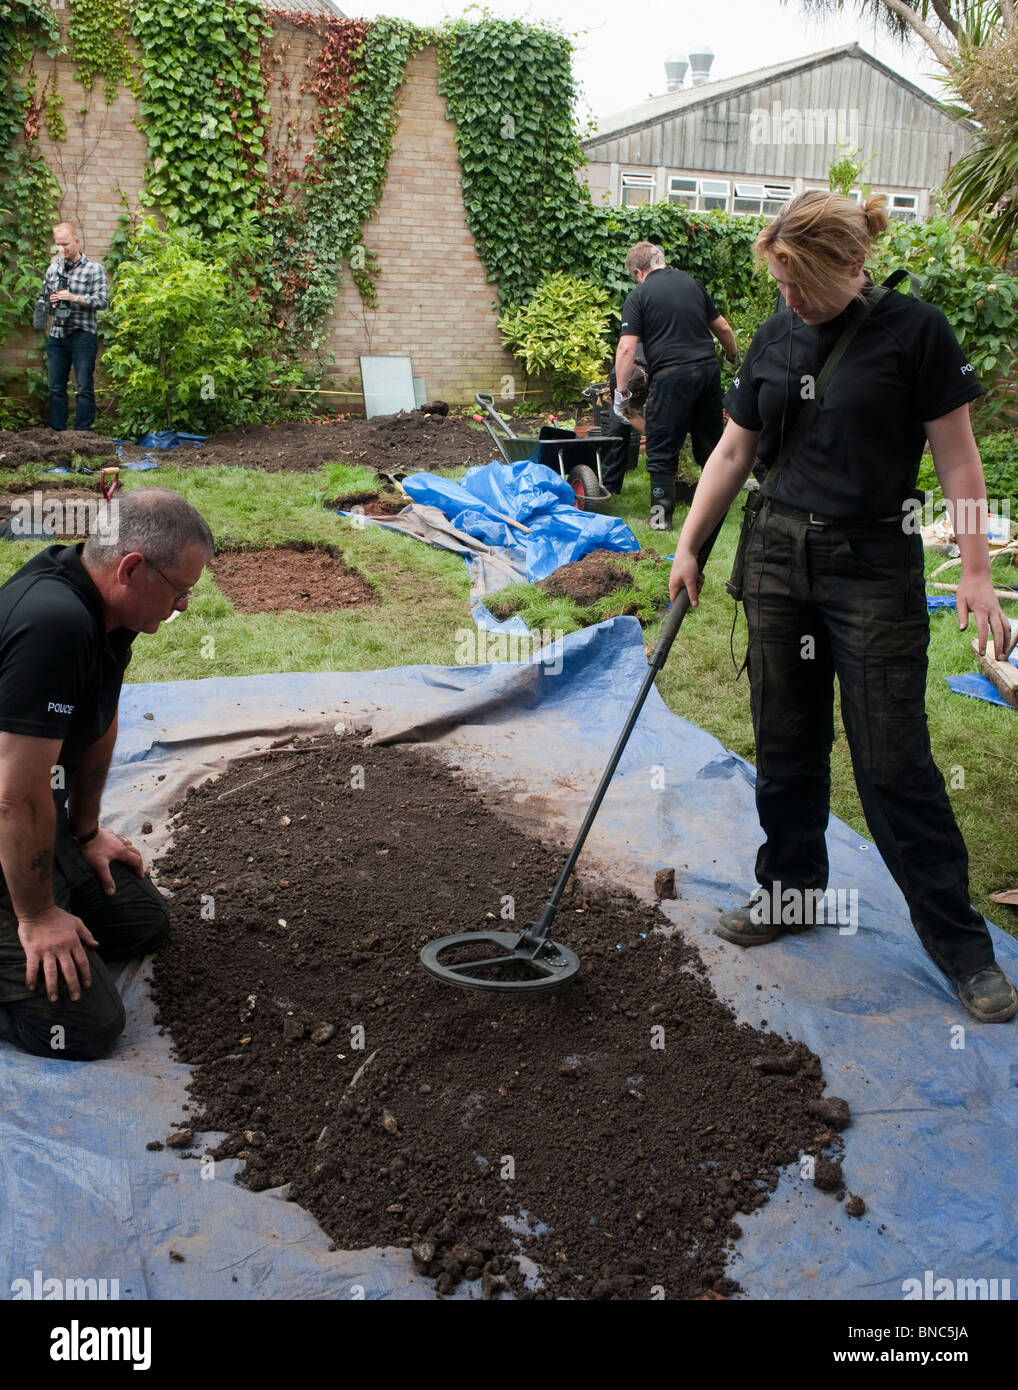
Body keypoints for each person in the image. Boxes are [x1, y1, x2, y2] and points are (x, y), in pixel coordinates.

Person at [668, 189, 1017, 1024]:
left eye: (801, 283)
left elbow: (959, 462)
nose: (789, 300)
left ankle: (960, 947)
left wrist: (974, 570)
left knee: (893, 760)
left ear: (852, 267)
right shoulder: (777, 330)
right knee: (786, 742)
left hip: (870, 568)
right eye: (780, 283)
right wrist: (688, 544)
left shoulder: (916, 331)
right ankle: (791, 893)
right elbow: (733, 446)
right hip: (780, 560)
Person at [0, 488, 214, 1061]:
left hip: (28, 820)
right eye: (180, 589)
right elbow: (14, 798)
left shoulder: (108, 613)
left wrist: (87, 831)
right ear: (132, 568)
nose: (184, 606)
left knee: (140, 923)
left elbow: (102, 720)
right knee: (85, 1025)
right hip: (10, 816)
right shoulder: (54, 624)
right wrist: (39, 915)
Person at [614, 241, 739, 529]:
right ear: (660, 261)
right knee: (710, 445)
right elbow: (722, 327)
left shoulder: (639, 295)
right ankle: (716, 511)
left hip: (672, 375)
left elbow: (626, 349)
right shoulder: (691, 283)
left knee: (660, 447)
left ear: (638, 271)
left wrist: (622, 393)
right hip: (708, 370)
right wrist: (733, 356)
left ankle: (660, 521)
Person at [40, 222, 108, 432]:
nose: (62, 249)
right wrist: (50, 302)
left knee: (84, 387)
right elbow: (43, 299)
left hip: (83, 335)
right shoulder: (53, 269)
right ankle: (58, 433)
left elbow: (102, 301)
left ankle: (83, 433)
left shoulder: (94, 269)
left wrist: (74, 298)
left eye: (66, 244)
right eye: (58, 245)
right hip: (57, 335)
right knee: (56, 387)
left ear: (77, 242)